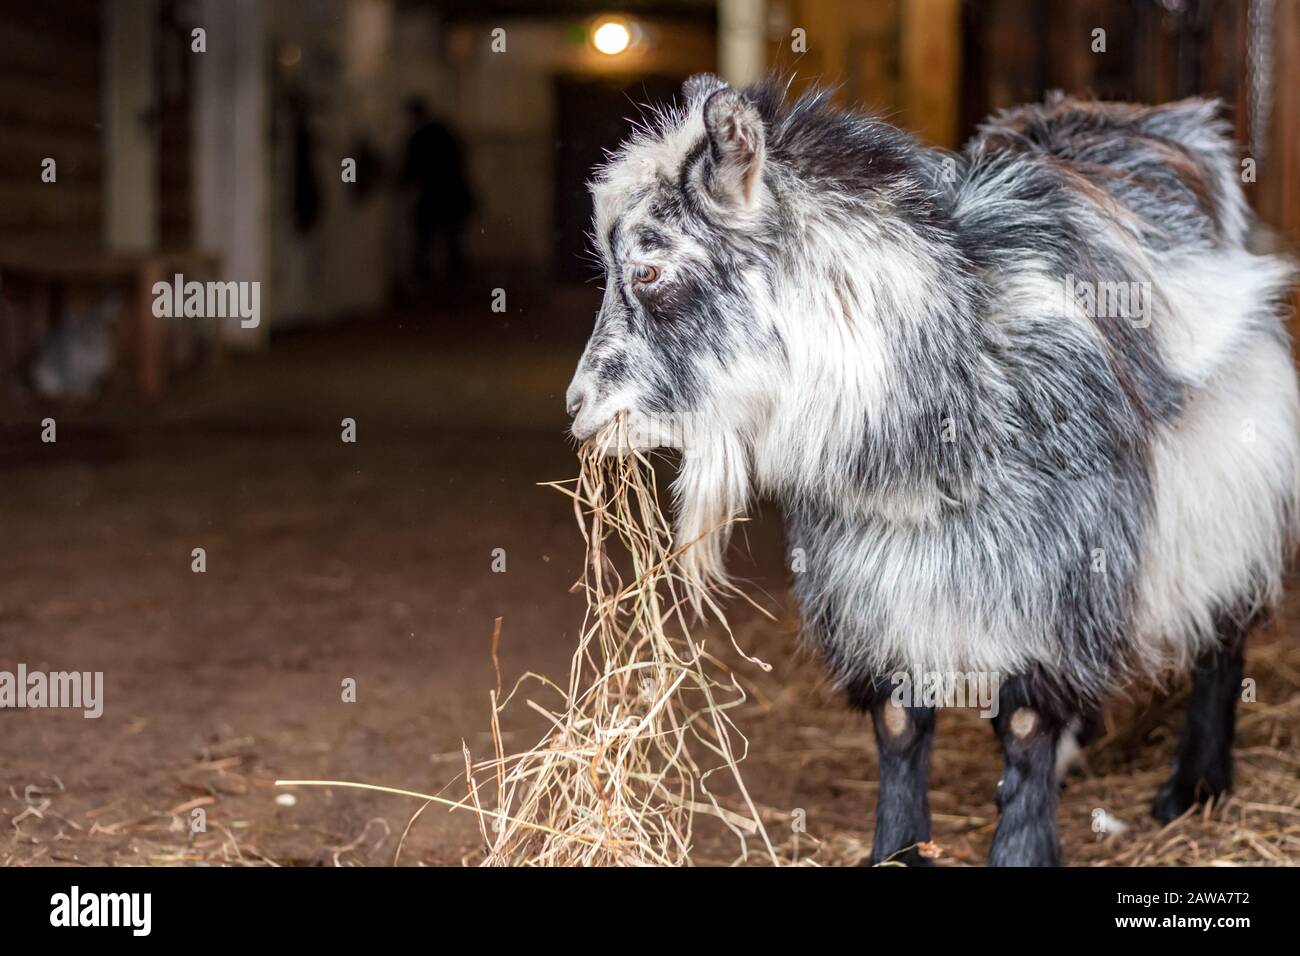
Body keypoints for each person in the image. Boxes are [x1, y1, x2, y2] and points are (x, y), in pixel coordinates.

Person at [400, 97, 474, 284]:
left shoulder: (421, 137)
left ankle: (430, 285)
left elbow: (411, 170)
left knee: (425, 243)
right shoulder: (444, 131)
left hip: (435, 196)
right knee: (452, 243)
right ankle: (452, 286)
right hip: (453, 194)